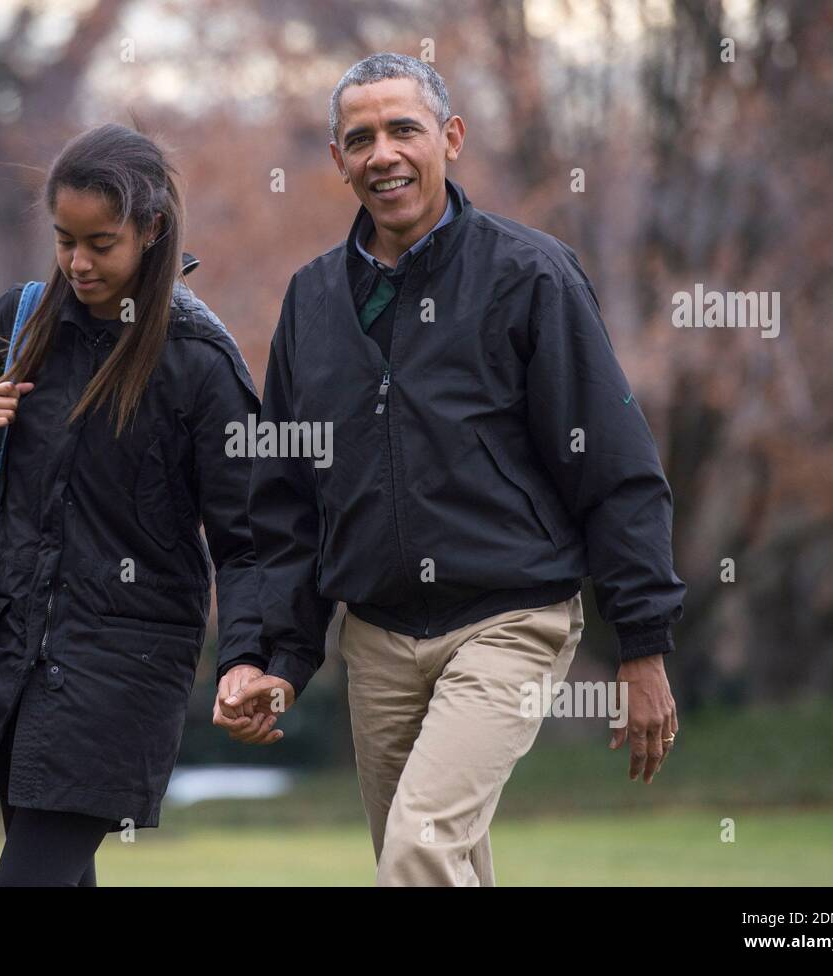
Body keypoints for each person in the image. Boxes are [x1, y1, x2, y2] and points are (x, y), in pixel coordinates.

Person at [228, 53, 687, 886]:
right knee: (441, 862)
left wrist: (643, 644)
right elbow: (285, 504)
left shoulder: (531, 274)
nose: (383, 154)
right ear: (338, 159)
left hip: (509, 619)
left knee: (419, 851)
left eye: (404, 129)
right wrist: (273, 656)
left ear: (451, 137)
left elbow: (615, 468)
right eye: (359, 138)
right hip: (375, 637)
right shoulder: (312, 301)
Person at [0, 123, 274, 887]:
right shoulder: (20, 322)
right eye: (64, 240)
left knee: (27, 879)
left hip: (125, 666)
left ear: (151, 231)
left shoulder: (200, 362)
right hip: (11, 649)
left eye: (101, 242)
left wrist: (248, 655)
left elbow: (245, 535)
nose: (79, 263)